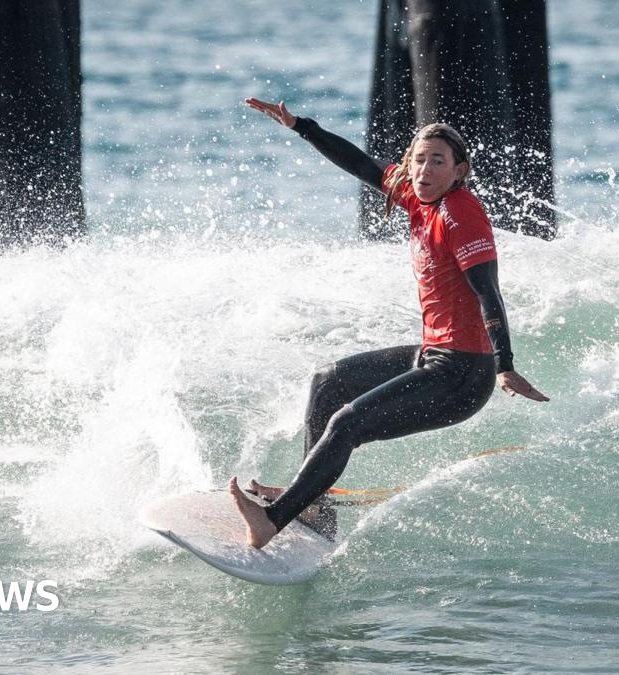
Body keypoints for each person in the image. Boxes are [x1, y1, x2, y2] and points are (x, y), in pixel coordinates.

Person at [228, 97, 549, 548]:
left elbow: (487, 292)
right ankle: (315, 506)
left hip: (462, 376)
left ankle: (274, 519)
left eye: (438, 161)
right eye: (418, 160)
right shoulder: (420, 200)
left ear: (458, 170)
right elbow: (360, 163)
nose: (425, 169)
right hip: (434, 356)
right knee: (328, 382)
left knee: (347, 422)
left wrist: (505, 364)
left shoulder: (460, 214)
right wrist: (301, 126)